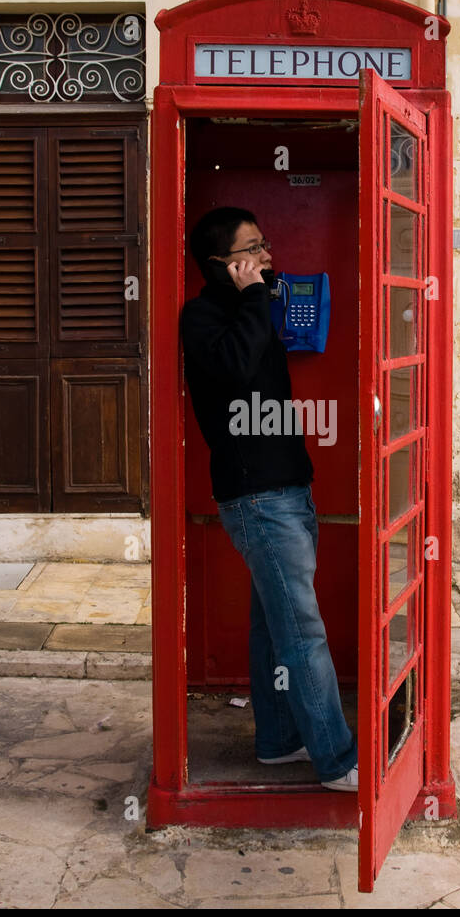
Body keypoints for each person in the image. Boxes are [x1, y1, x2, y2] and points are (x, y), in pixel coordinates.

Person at [179, 206, 358, 792]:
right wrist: (256, 295)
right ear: (221, 265)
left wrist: (262, 292)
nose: (266, 258)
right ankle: (336, 760)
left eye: (265, 245)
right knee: (303, 631)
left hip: (288, 489)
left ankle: (280, 740)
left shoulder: (250, 308)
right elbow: (232, 368)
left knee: (273, 628)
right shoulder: (201, 318)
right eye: (251, 250)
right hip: (257, 499)